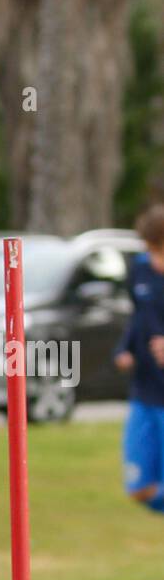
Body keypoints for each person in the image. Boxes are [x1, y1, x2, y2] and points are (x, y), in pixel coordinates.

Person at [115, 203, 164, 515]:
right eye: (153, 251)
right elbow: (139, 317)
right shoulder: (140, 269)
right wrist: (125, 347)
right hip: (145, 391)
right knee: (139, 488)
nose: (157, 261)